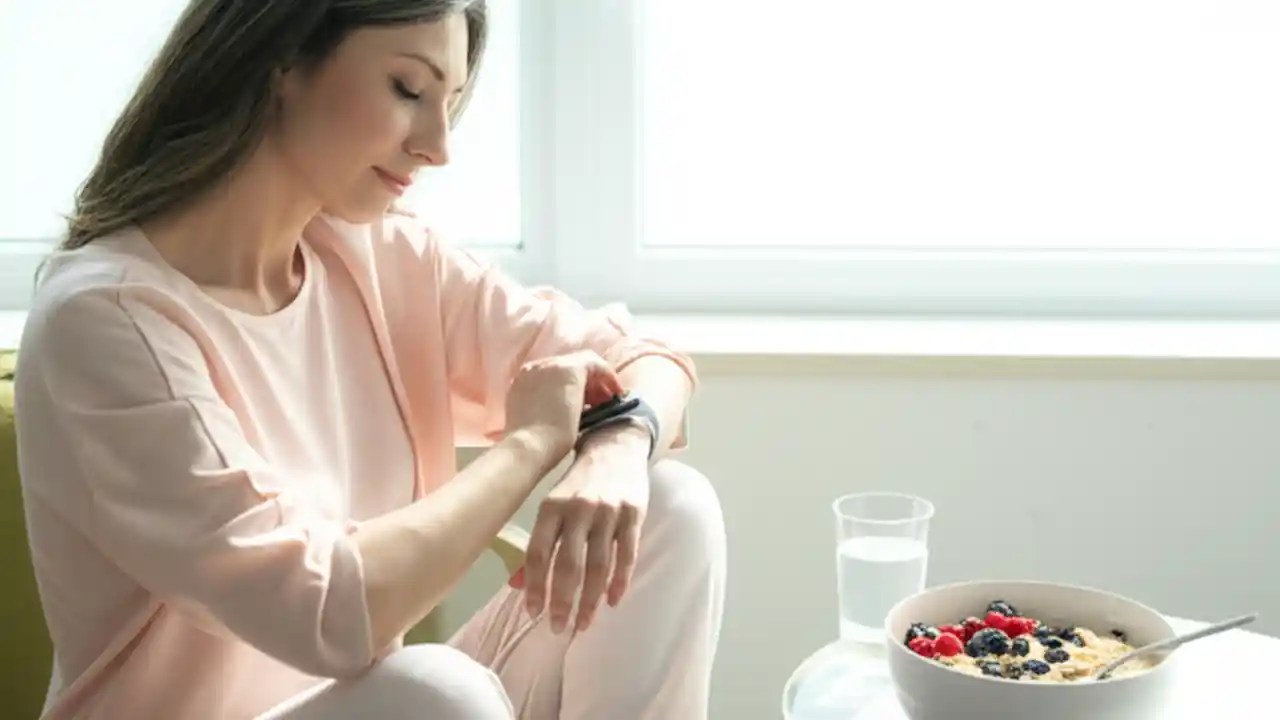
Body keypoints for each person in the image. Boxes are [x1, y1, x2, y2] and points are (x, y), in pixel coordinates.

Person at [13, 1, 725, 718]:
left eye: (449, 103)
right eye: (408, 90)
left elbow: (646, 362)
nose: (438, 145)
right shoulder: (105, 319)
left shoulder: (377, 255)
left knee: (670, 510)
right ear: (282, 56)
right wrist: (533, 443)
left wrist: (619, 444)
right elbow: (321, 615)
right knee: (436, 698)